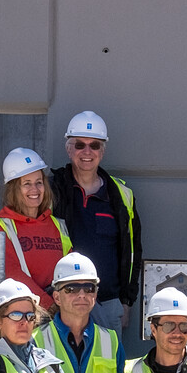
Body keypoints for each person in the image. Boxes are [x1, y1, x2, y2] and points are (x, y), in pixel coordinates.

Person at [48, 110, 142, 332]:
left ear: (103, 150)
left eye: (95, 145)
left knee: (107, 365)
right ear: (68, 148)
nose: (87, 152)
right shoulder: (52, 190)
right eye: (79, 145)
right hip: (63, 301)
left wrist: (126, 301)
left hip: (108, 303)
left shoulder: (121, 195)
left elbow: (132, 252)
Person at [0, 147, 71, 307]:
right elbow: (11, 271)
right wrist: (48, 304)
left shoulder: (56, 224)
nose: (34, 189)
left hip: (59, 307)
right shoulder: (3, 223)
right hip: (24, 310)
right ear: (14, 189)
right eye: (27, 184)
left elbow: (69, 264)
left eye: (39, 183)